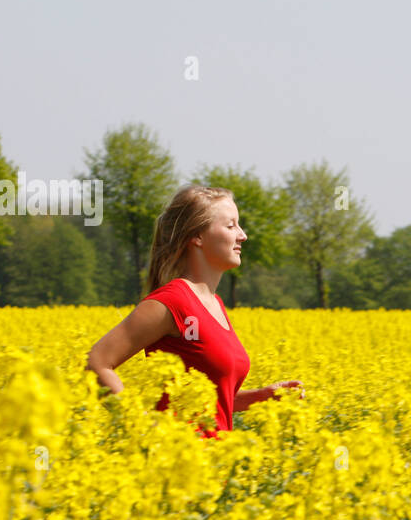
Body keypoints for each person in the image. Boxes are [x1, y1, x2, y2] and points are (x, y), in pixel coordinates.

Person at [86, 184, 302, 437]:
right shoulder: (173, 300)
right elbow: (97, 363)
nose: (242, 235)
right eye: (231, 226)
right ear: (197, 237)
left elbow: (210, 400)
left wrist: (260, 397)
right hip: (176, 468)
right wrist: (142, 427)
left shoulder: (214, 303)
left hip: (211, 470)